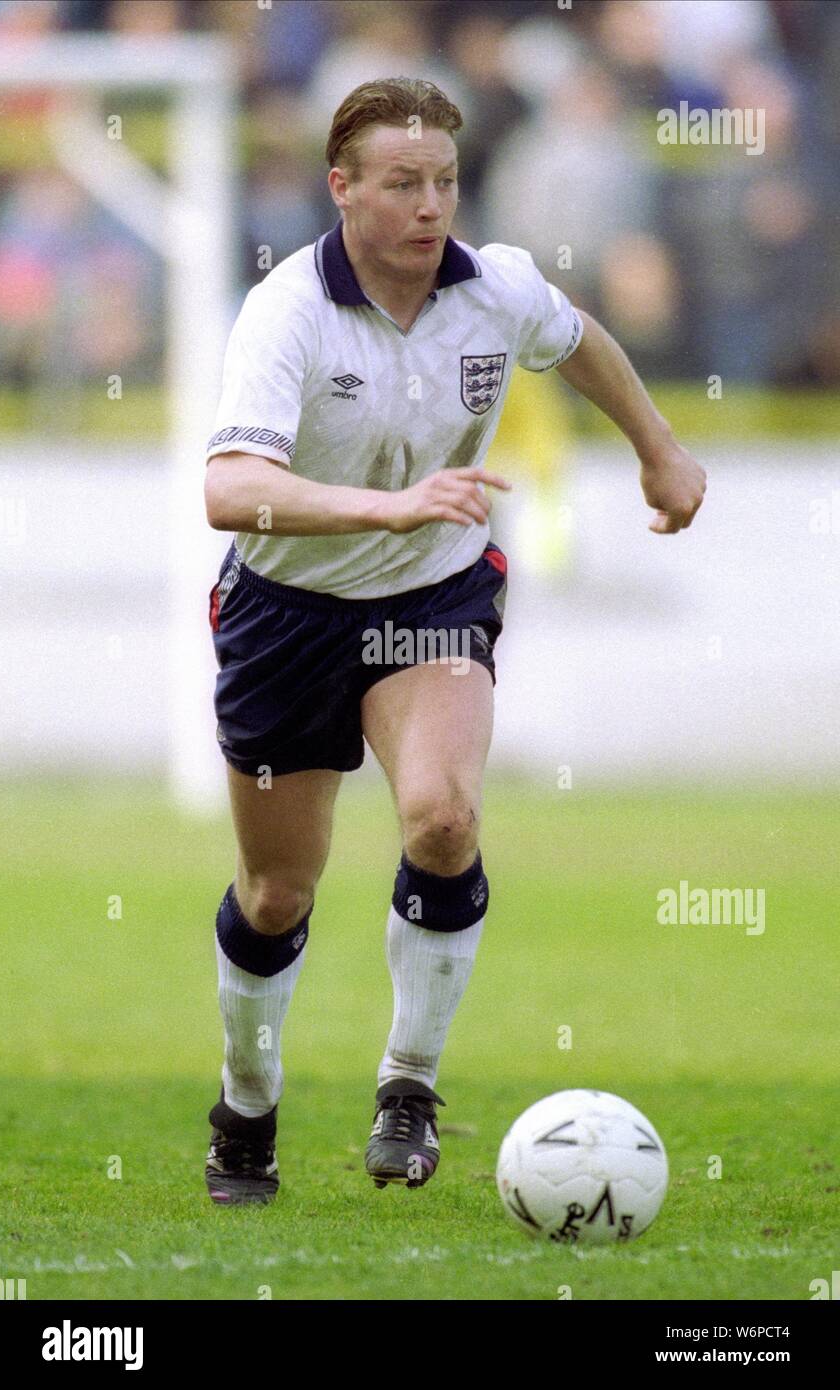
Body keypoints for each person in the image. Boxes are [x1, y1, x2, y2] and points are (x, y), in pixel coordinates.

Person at [201, 77, 706, 1206]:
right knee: (278, 891)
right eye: (400, 184)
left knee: (441, 816)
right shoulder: (286, 311)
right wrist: (383, 504)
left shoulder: (496, 287)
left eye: (443, 182)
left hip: (429, 599)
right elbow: (230, 490)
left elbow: (579, 340)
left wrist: (657, 449)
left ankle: (408, 1087)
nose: (429, 206)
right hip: (287, 611)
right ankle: (244, 1103)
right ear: (341, 189)